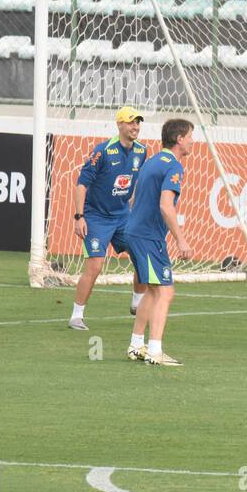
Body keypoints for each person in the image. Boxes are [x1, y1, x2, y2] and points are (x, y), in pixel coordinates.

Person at [68, 106, 149, 330]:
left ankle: (137, 302)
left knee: (143, 254)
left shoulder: (142, 151)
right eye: (131, 122)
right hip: (96, 217)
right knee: (95, 265)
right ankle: (76, 315)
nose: (136, 127)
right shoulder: (102, 151)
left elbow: (139, 181)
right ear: (120, 125)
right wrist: (79, 216)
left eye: (138, 122)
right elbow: (81, 184)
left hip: (123, 215)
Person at [125, 118, 195, 367]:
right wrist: (181, 240)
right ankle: (155, 350)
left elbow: (133, 199)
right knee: (166, 291)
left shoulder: (152, 161)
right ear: (179, 139)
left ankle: (136, 345)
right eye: (190, 136)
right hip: (148, 236)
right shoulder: (174, 167)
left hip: (134, 232)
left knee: (153, 291)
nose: (192, 141)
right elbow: (166, 206)